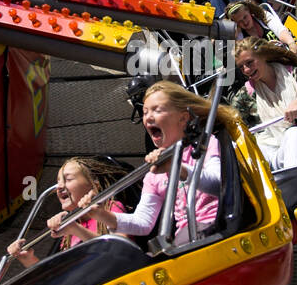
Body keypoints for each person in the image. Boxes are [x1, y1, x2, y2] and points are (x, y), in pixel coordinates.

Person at [81, 82, 230, 242]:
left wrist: (176, 168)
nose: (148, 117)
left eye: (157, 110)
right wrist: (101, 215)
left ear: (183, 118)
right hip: (187, 235)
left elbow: (218, 184)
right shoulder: (153, 175)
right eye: (145, 112)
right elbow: (143, 223)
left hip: (215, 225)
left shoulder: (205, 144)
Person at [6, 157, 126, 267]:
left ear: (93, 184)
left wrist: (75, 229)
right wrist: (29, 260)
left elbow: (122, 253)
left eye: (68, 179)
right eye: (58, 182)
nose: (60, 186)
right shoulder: (71, 226)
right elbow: (60, 277)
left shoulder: (111, 209)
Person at [230, 38, 297, 170]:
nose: (246, 70)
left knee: (295, 133)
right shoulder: (245, 95)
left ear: (263, 55)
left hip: (294, 144)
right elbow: (232, 123)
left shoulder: (295, 75)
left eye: (249, 63)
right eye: (241, 67)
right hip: (265, 149)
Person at [226, 0, 297, 52]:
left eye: (245, 17)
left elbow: (280, 30)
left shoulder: (263, 16)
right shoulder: (240, 35)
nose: (245, 22)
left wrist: (291, 43)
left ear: (249, 11)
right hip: (266, 66)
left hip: (284, 53)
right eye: (240, 21)